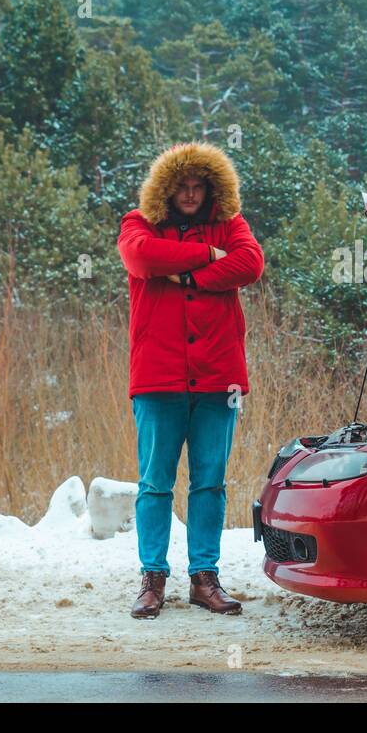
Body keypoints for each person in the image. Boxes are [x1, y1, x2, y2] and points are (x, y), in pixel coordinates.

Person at [116, 141, 264, 619]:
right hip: (158, 378)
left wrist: (190, 277)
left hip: (219, 378)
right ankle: (152, 579)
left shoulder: (232, 224)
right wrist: (206, 254)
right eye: (183, 185)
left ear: (213, 188)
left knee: (210, 484)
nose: (190, 193)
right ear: (167, 187)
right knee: (155, 484)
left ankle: (205, 578)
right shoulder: (138, 223)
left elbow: (249, 264)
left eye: (200, 185)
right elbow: (140, 258)